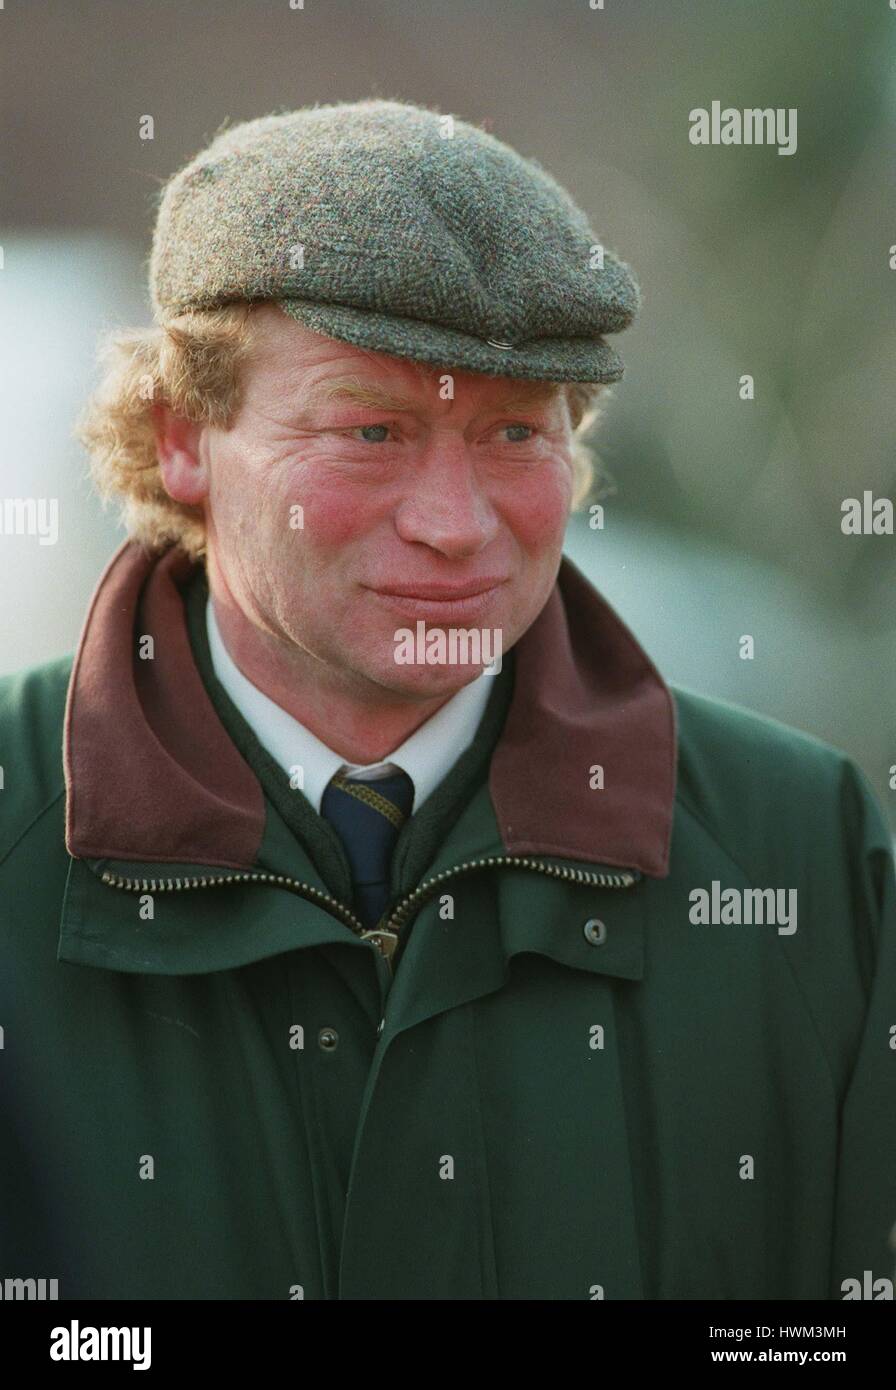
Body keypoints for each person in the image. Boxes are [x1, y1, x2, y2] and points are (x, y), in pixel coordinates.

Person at [1, 99, 893, 1301]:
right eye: (372, 428)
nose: (456, 522)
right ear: (181, 438)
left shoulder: (808, 854)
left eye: (515, 433)